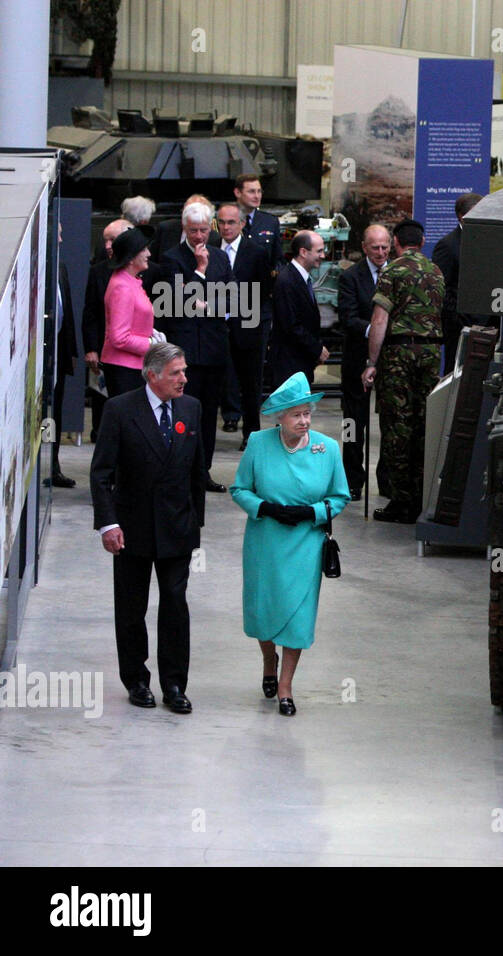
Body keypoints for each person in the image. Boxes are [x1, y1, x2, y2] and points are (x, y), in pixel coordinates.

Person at [90, 343, 207, 715]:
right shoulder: (119, 410)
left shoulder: (191, 408)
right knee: (131, 607)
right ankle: (136, 680)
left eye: (184, 371)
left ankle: (174, 684)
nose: (184, 379)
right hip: (131, 529)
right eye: (176, 373)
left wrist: (194, 527)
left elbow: (196, 473)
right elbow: (102, 473)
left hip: (176, 529)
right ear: (152, 375)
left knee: (175, 605)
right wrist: (108, 523)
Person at [230, 373, 348, 716]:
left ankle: (285, 687)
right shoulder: (258, 443)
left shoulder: (327, 449)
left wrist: (310, 512)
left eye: (307, 413)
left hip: (305, 543)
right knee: (262, 612)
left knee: (298, 616)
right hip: (265, 540)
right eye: (296, 414)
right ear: (280, 417)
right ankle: (269, 658)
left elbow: (339, 497)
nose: (304, 420)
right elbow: (240, 489)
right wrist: (264, 508)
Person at [360, 218, 445, 523]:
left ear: (396, 243)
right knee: (425, 424)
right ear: (422, 243)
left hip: (399, 353)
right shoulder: (436, 272)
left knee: (398, 427)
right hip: (431, 352)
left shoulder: (392, 271)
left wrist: (371, 363)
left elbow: (380, 320)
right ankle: (423, 498)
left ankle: (401, 501)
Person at [157, 201, 233, 492]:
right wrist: (200, 272)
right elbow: (176, 302)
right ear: (184, 229)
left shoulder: (220, 257)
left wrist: (206, 304)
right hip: (185, 350)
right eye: (193, 231)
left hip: (213, 349)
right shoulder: (172, 259)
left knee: (207, 413)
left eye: (203, 230)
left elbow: (232, 298)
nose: (199, 236)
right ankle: (179, 472)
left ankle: (203, 472)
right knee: (181, 413)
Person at [212, 202, 273, 451]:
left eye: (231, 222)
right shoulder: (210, 249)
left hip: (247, 326)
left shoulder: (256, 252)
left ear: (242, 224)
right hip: (215, 326)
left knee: (250, 384)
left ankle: (251, 433)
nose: (226, 228)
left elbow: (263, 291)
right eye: (222, 222)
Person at [336, 223, 390, 500]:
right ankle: (352, 480)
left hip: (390, 360)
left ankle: (388, 480)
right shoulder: (351, 277)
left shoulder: (396, 274)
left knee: (391, 423)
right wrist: (374, 330)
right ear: (365, 248)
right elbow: (347, 317)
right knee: (354, 424)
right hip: (357, 358)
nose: (380, 253)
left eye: (385, 247)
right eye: (375, 248)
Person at [83, 219, 132, 442]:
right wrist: (91, 348)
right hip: (106, 352)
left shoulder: (147, 271)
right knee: (105, 404)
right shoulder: (98, 272)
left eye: (112, 240)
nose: (107, 246)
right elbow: (91, 312)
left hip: (136, 353)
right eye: (105, 240)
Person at [101, 228, 160, 398]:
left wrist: (151, 334)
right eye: (144, 249)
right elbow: (119, 337)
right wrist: (151, 344)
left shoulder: (131, 281)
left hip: (133, 367)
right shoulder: (122, 287)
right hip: (124, 371)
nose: (148, 253)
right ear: (130, 257)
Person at [269, 230, 327, 390]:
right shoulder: (287, 280)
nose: (323, 255)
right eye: (319, 251)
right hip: (290, 365)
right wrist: (316, 349)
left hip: (300, 362)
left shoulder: (300, 278)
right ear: (303, 252)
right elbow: (291, 325)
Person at [430, 192, 483, 369]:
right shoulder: (447, 245)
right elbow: (440, 288)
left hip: (487, 325)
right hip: (460, 328)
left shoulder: (488, 241)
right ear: (462, 216)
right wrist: (457, 319)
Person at [47, 228, 77, 487]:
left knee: (55, 411)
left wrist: (72, 352)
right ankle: (43, 463)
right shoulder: (39, 268)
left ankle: (52, 464)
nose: (61, 238)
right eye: (56, 233)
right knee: (43, 412)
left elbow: (66, 313)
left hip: (59, 354)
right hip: (41, 357)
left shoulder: (61, 266)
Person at [234, 174, 282, 270]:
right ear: (238, 192)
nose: (257, 196)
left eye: (259, 191)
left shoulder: (270, 222)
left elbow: (278, 259)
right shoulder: (225, 220)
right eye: (251, 192)